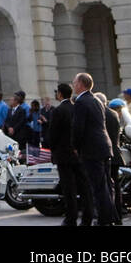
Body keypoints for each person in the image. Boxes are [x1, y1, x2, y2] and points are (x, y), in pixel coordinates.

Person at [71, 72, 115, 226]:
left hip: (91, 149)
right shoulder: (96, 100)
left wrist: (75, 147)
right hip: (103, 146)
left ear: (81, 84)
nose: (73, 85)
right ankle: (109, 218)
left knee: (98, 188)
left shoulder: (81, 102)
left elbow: (78, 128)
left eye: (74, 82)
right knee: (105, 187)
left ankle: (103, 220)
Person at [47, 83, 79, 225]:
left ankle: (71, 217)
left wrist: (52, 149)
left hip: (63, 155)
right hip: (78, 153)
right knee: (83, 186)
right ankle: (87, 214)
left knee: (68, 187)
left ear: (60, 94)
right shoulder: (77, 108)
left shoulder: (58, 110)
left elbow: (52, 135)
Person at [103, 96, 127, 223]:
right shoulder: (113, 115)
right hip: (116, 154)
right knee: (115, 187)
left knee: (108, 186)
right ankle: (118, 214)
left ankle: (113, 215)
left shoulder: (104, 115)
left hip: (107, 154)